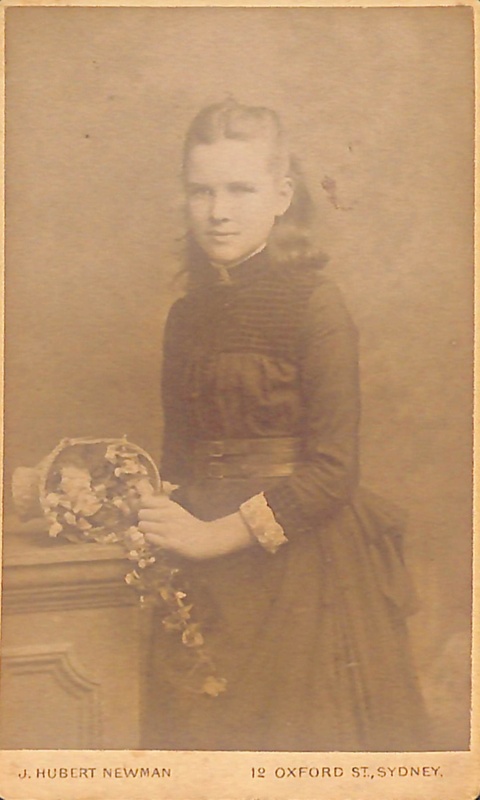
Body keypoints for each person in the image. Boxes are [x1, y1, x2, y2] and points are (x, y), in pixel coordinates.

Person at [138, 99, 429, 751]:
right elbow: (177, 459)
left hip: (301, 567)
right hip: (201, 577)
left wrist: (214, 537)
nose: (218, 211)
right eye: (202, 191)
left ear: (281, 195)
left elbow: (333, 472)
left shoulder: (314, 305)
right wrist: (151, 511)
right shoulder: (186, 316)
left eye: (240, 189)